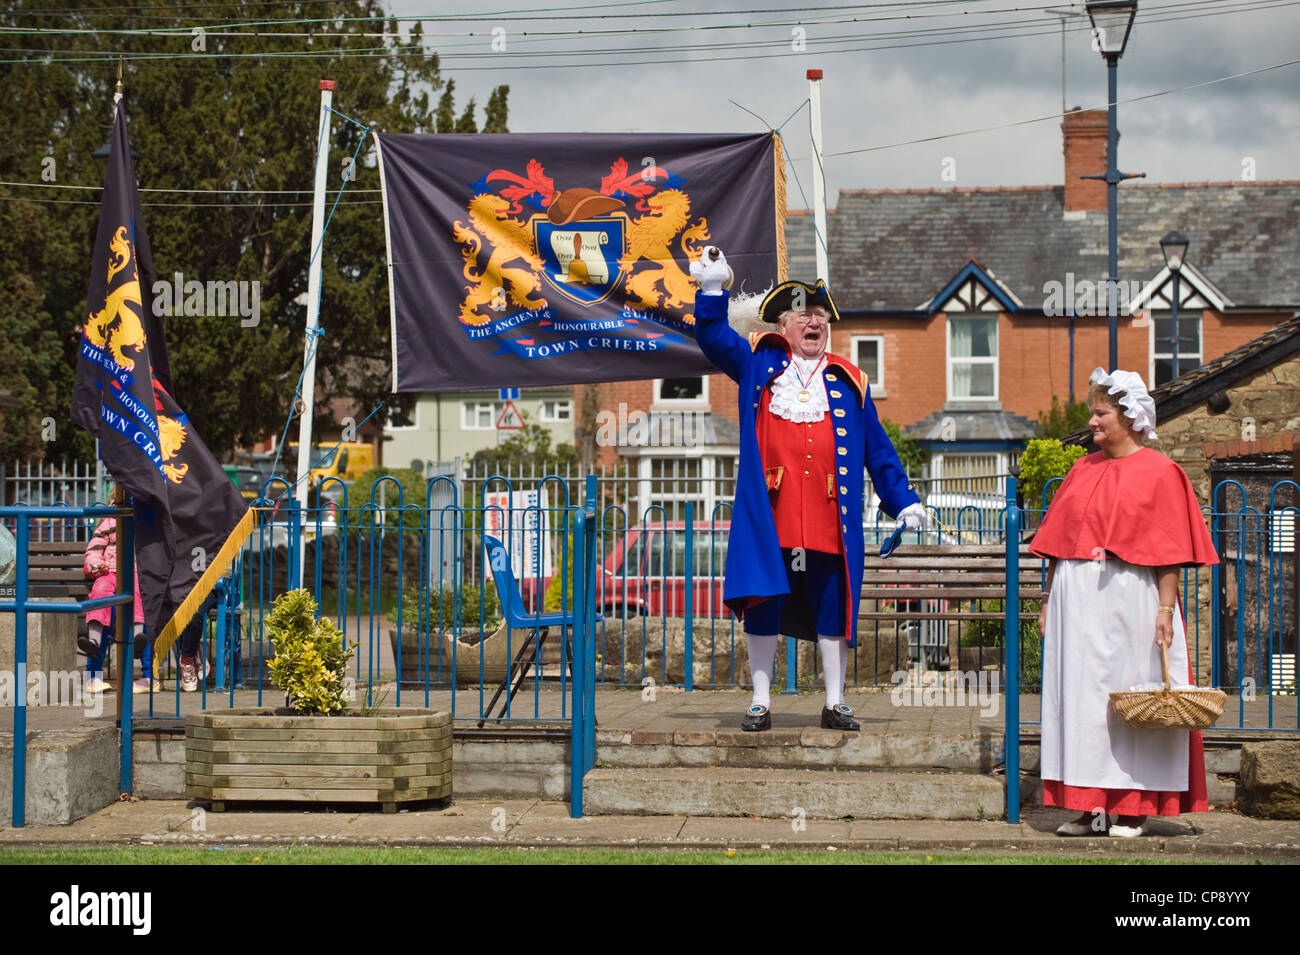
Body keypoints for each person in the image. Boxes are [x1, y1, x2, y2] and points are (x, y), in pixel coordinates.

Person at [689, 247, 925, 731]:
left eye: (820, 315)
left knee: (831, 604)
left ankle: (835, 701)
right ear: (782, 324)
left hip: (827, 518)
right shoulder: (758, 361)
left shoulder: (849, 380)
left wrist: (903, 500)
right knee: (764, 601)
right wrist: (712, 290)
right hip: (770, 515)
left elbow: (877, 451)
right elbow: (712, 337)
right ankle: (760, 701)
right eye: (803, 313)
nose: (813, 321)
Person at [1032, 367, 1218, 837]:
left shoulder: (1161, 472)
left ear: (1130, 417)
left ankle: (1133, 805)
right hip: (1077, 602)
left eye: (1100, 414)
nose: (1092, 422)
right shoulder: (1081, 469)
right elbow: (1058, 546)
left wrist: (1165, 612)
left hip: (1131, 597)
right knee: (1082, 701)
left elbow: (1171, 552)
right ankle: (1089, 808)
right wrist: (1048, 600)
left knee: (1129, 697)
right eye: (1093, 413)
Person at [80, 517, 156, 693]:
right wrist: (95, 565)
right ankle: (93, 644)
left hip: (136, 572)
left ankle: (138, 639)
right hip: (110, 572)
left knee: (137, 594)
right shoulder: (109, 522)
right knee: (100, 595)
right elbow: (95, 548)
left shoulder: (146, 519)